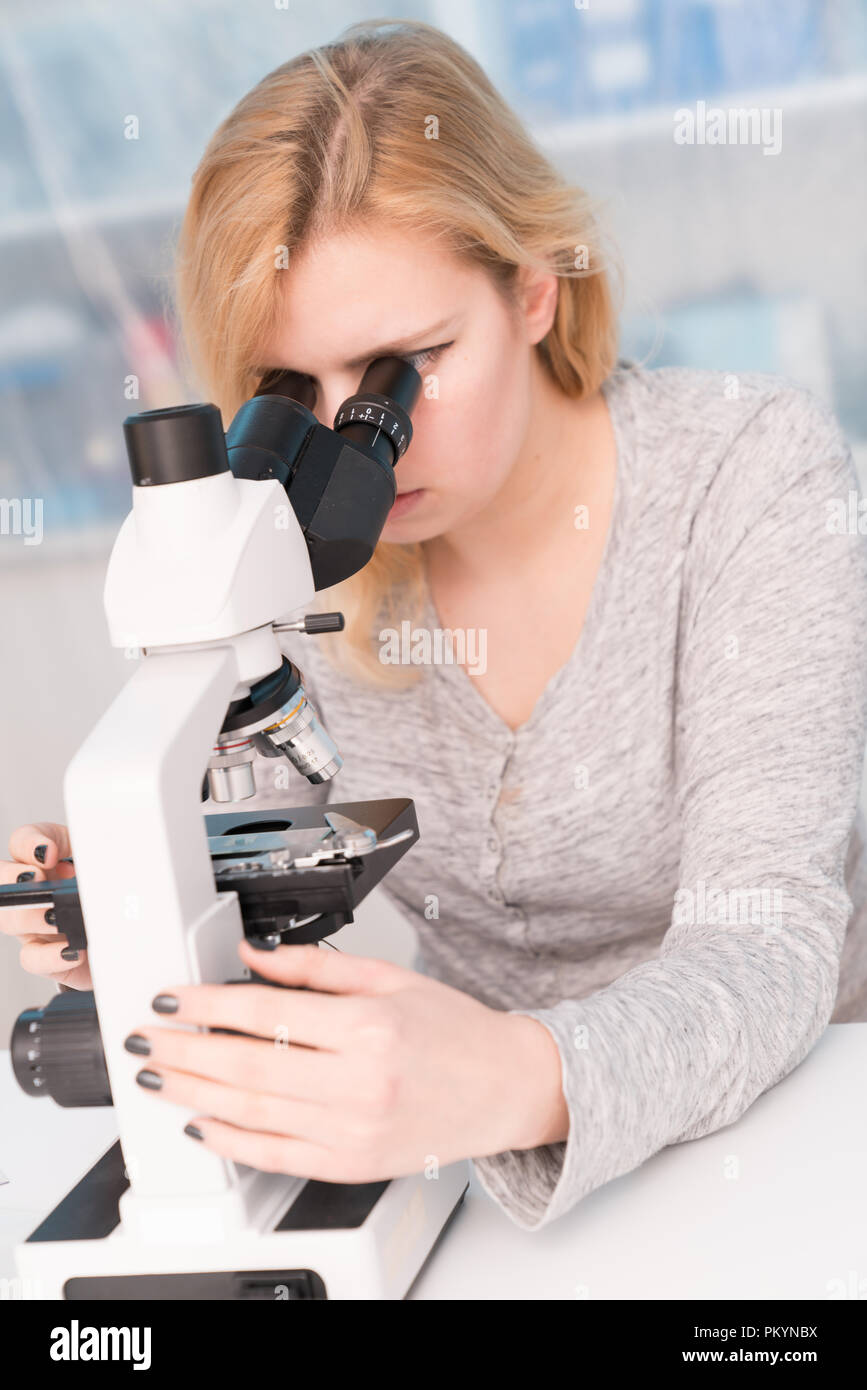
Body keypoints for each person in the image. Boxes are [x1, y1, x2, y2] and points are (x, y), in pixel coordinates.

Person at [4, 19, 867, 1232]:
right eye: (294, 391)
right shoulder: (291, 554)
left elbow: (770, 948)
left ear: (530, 286)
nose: (360, 444)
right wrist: (142, 892)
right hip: (483, 1173)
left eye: (404, 364)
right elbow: (277, 852)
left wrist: (505, 1077)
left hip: (794, 1131)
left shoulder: (748, 472)